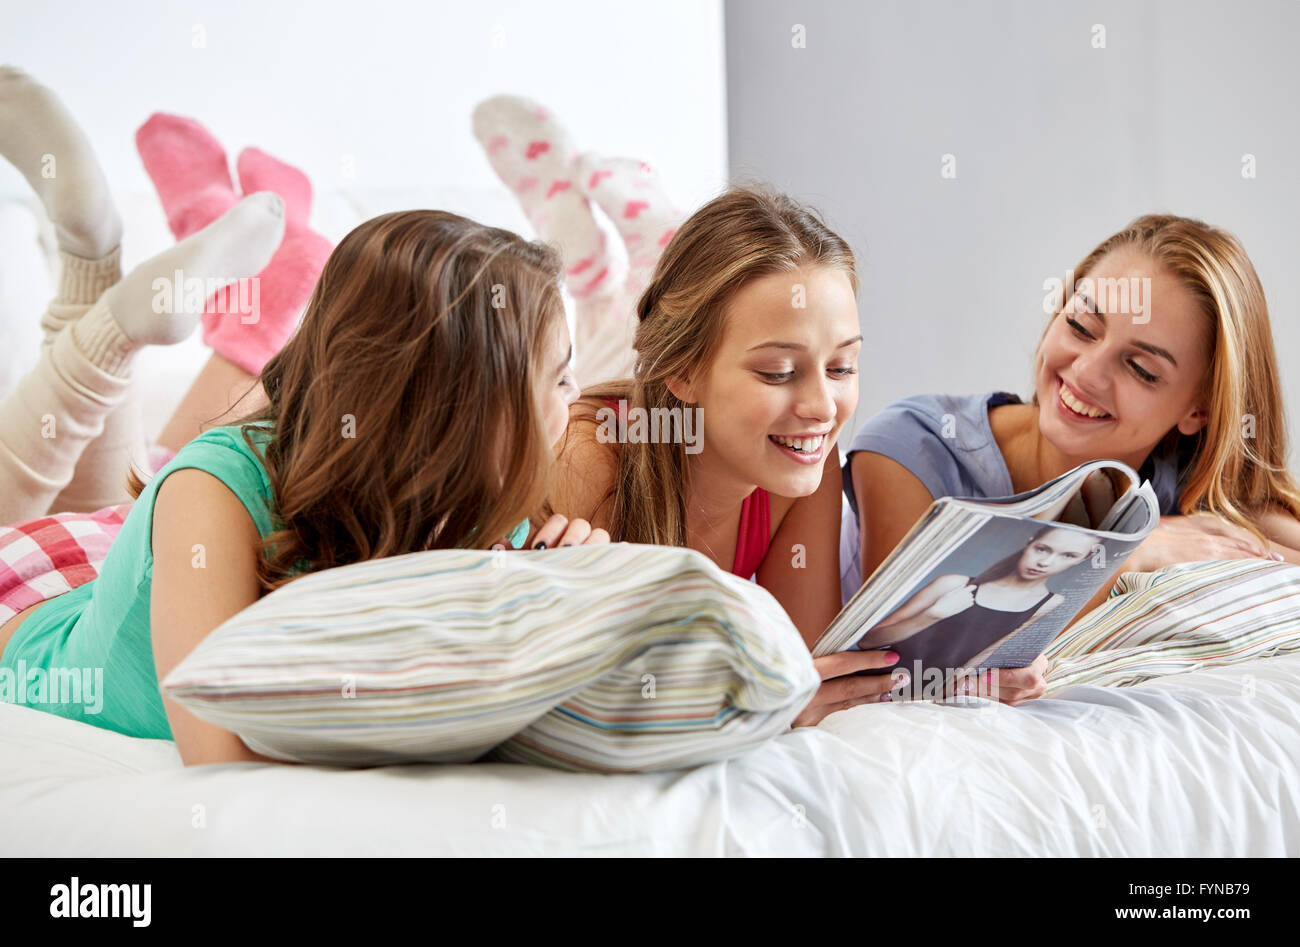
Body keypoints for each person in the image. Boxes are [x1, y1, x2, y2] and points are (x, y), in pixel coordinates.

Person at [843, 214, 1300, 703]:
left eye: (1141, 369)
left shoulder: (1188, 481)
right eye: (1082, 327)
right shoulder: (913, 447)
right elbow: (902, 670)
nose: (1086, 372)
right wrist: (1130, 554)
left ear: (1200, 409)